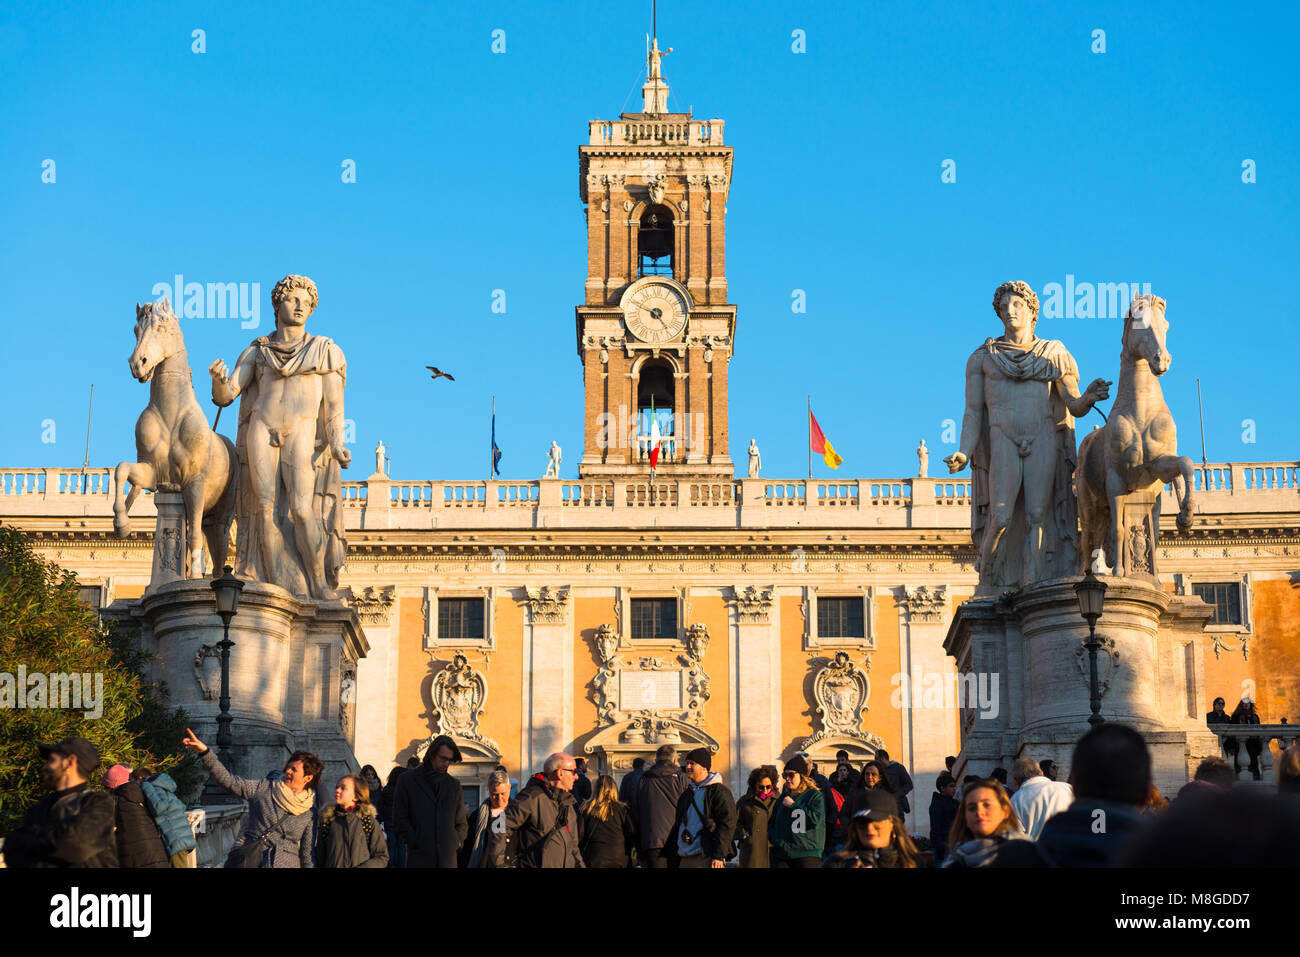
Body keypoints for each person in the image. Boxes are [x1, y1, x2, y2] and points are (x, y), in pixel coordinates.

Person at [994, 723, 1152, 868]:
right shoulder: (1166, 851)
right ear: (1146, 795)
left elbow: (1017, 835)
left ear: (1075, 788)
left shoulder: (1014, 803)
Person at [182, 727, 318, 868]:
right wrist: (205, 753)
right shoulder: (264, 788)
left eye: (294, 770)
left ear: (307, 778)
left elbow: (307, 854)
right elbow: (228, 781)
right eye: (288, 767)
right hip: (253, 860)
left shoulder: (309, 812)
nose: (287, 771)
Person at [4, 737, 117, 868]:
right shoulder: (39, 808)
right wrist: (57, 838)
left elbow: (76, 846)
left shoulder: (97, 802)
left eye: (52, 760)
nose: (45, 767)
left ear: (70, 762)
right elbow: (11, 852)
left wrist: (29, 838)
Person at [488, 752, 584, 868]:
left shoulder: (568, 804)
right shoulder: (532, 797)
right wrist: (499, 864)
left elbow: (573, 846)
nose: (577, 776)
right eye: (573, 772)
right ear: (560, 773)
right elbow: (499, 825)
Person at [393, 734, 469, 868]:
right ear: (432, 755)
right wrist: (415, 840)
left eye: (449, 760)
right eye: (443, 758)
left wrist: (455, 842)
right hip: (419, 859)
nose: (446, 764)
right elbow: (399, 818)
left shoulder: (454, 785)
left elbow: (461, 822)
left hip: (448, 860)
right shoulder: (407, 780)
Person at [664, 748, 737, 868]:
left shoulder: (719, 792)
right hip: (684, 855)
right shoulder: (687, 793)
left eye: (692, 763)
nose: (687, 766)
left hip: (705, 855)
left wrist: (719, 855)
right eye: (687, 763)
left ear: (704, 767)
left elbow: (727, 824)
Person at [823, 791, 923, 868]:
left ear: (892, 824)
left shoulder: (913, 862)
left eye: (876, 820)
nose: (869, 827)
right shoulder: (837, 863)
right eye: (863, 822)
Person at [942, 780, 1027, 868]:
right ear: (964, 816)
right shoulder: (954, 860)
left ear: (1004, 811)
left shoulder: (1026, 852)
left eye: (987, 805)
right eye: (972, 808)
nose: (979, 812)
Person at [633, 744, 688, 868]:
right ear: (675, 761)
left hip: (652, 841)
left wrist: (640, 852)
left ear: (655, 760)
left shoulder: (643, 780)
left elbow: (636, 815)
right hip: (678, 839)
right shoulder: (682, 778)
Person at [316, 774, 388, 868]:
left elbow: (381, 856)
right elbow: (320, 857)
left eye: (343, 788)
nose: (337, 790)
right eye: (337, 787)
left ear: (356, 796)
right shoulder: (328, 821)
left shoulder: (367, 822)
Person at [104, 764, 168, 868]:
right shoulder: (142, 792)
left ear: (111, 786)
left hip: (135, 858)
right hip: (157, 854)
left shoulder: (116, 801)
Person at [768, 755, 826, 868]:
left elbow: (814, 820)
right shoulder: (783, 797)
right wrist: (776, 840)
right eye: (785, 775)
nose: (788, 779)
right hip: (783, 855)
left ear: (802, 776)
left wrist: (793, 806)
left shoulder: (814, 795)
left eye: (791, 775)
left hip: (807, 854)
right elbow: (772, 823)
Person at [136, 768, 198, 867]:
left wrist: (144, 786)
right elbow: (181, 806)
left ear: (139, 778)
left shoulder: (148, 785)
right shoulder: (164, 788)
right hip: (181, 837)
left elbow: (159, 808)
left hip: (174, 840)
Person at [1008, 756, 1074, 840]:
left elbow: (1016, 837)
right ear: (1042, 773)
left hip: (1037, 850)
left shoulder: (1015, 800)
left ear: (1015, 781)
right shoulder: (1067, 788)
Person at [578, 774, 635, 868]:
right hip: (619, 858)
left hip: (593, 858)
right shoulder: (622, 809)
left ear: (595, 789)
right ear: (614, 789)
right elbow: (631, 833)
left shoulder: (586, 809)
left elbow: (579, 836)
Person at [463, 769, 513, 868]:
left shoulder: (518, 813)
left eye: (503, 793)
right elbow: (467, 849)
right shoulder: (476, 817)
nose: (499, 799)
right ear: (489, 790)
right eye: (494, 794)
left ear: (509, 788)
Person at [735, 766, 778, 868]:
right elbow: (734, 824)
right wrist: (745, 836)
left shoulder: (779, 800)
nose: (765, 790)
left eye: (768, 787)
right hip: (752, 852)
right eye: (761, 787)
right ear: (754, 786)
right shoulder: (744, 802)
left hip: (773, 851)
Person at [824, 754, 856, 851]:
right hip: (837, 812)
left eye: (844, 770)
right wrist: (838, 782)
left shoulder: (854, 778)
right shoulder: (833, 778)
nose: (842, 772)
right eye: (840, 770)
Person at [928, 772, 960, 863]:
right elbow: (935, 826)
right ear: (942, 788)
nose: (954, 789)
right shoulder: (937, 804)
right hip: (942, 846)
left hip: (954, 843)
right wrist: (940, 846)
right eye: (951, 786)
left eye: (955, 786)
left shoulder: (955, 803)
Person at [1229, 697, 1264, 780]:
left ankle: (1256, 782)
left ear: (1250, 705)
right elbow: (1232, 733)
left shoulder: (1255, 717)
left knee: (1254, 766)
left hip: (1253, 745)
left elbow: (1258, 732)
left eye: (1248, 703)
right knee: (1240, 766)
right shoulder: (1236, 717)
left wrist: (1260, 747)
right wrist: (1232, 746)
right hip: (1240, 745)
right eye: (1244, 703)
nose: (1246, 705)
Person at [380, 765, 408, 867]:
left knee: (391, 846)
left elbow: (381, 806)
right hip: (401, 821)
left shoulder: (386, 790)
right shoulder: (404, 790)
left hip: (389, 820)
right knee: (401, 846)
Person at [874, 749, 914, 815]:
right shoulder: (879, 771)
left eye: (876, 759)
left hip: (897, 807)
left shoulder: (899, 768)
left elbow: (909, 785)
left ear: (882, 758)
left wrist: (895, 795)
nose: (875, 762)